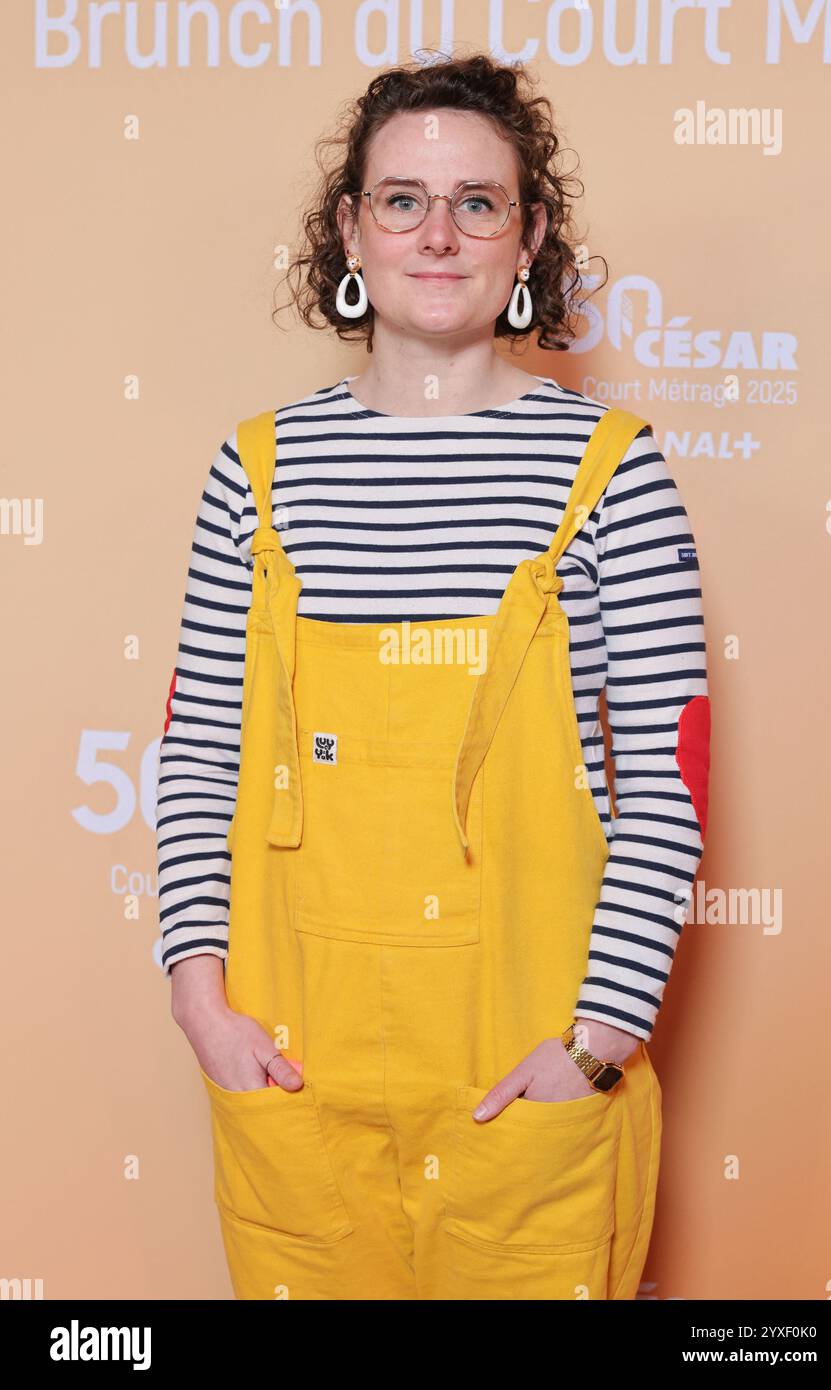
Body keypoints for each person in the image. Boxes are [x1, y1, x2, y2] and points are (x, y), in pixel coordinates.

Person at [156, 51, 710, 1301]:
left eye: (479, 201)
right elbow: (198, 756)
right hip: (299, 1077)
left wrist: (600, 1037)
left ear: (531, 236)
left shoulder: (613, 472)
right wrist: (199, 998)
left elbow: (670, 780)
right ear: (352, 226)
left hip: (524, 1073)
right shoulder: (253, 474)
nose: (439, 233)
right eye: (402, 199)